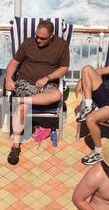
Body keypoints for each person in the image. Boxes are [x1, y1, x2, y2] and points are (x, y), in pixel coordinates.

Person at [4, 19, 69, 165]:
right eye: (37, 36)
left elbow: (64, 68)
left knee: (57, 94)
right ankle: (15, 146)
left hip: (46, 85)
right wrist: (8, 78)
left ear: (51, 36)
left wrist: (48, 77)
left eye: (42, 38)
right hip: (25, 82)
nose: (38, 40)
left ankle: (20, 100)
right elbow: (14, 63)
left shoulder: (61, 46)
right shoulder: (28, 43)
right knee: (21, 108)